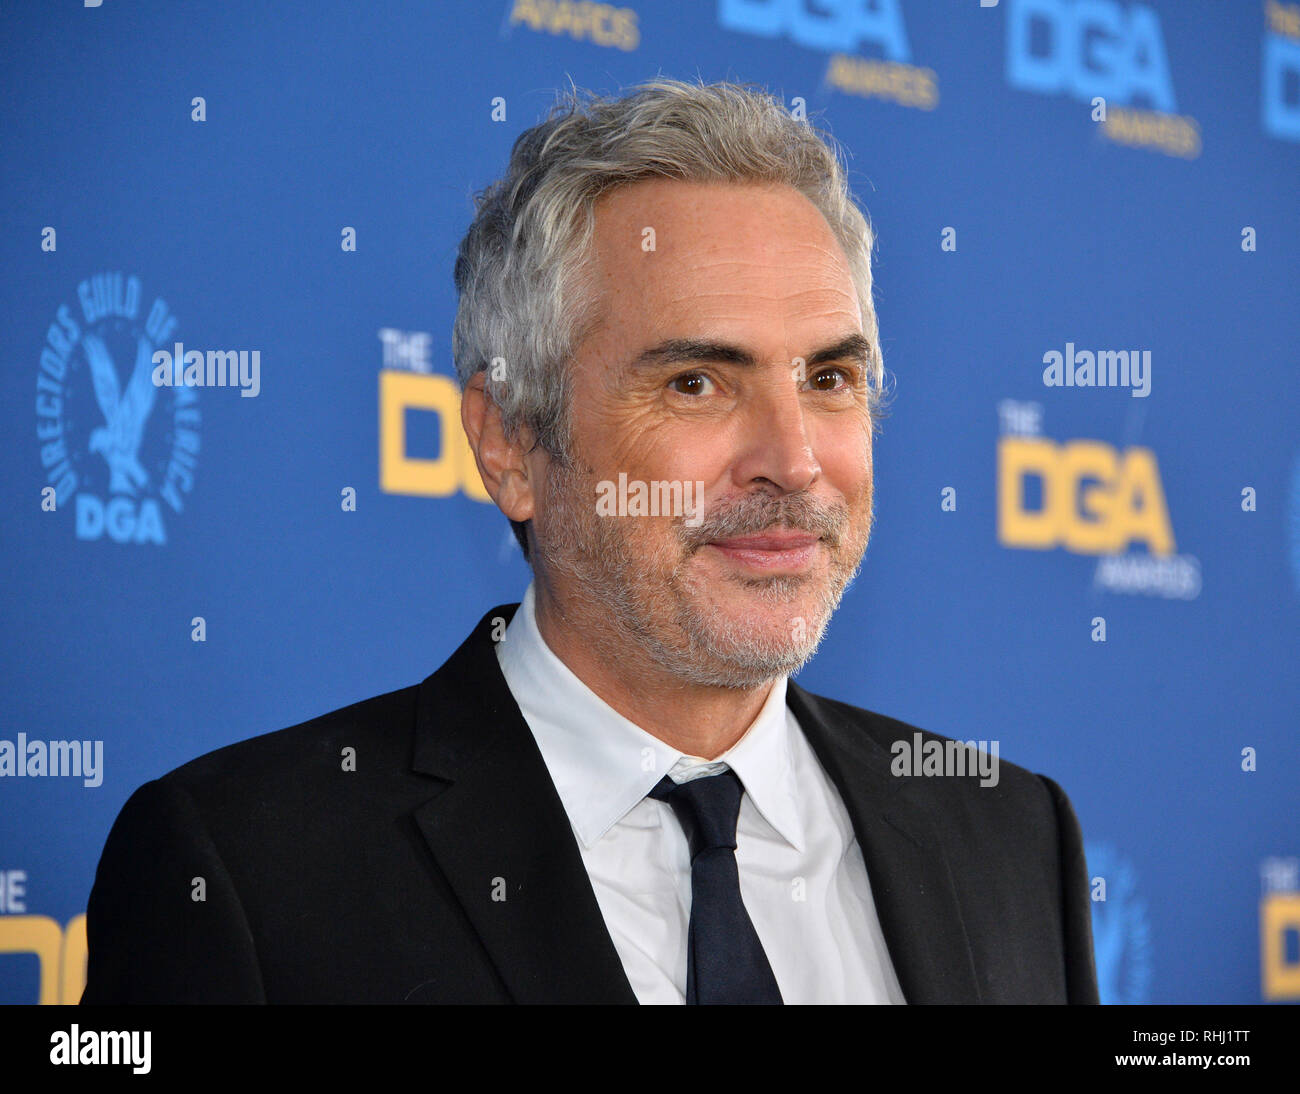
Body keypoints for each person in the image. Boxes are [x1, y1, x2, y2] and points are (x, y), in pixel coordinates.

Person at [81, 77, 1098, 1005]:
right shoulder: (248, 871)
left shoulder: (1009, 832)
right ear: (509, 440)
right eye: (696, 382)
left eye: (828, 378)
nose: (793, 461)